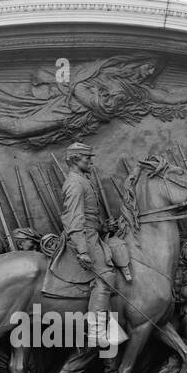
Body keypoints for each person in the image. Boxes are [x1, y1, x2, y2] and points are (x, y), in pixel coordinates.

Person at [59, 140, 114, 348]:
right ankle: (97, 331)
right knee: (106, 276)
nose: (90, 161)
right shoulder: (74, 183)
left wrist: (103, 227)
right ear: (74, 159)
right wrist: (82, 250)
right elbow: (74, 219)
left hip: (92, 232)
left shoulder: (83, 179)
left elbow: (89, 214)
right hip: (83, 236)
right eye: (87, 157)